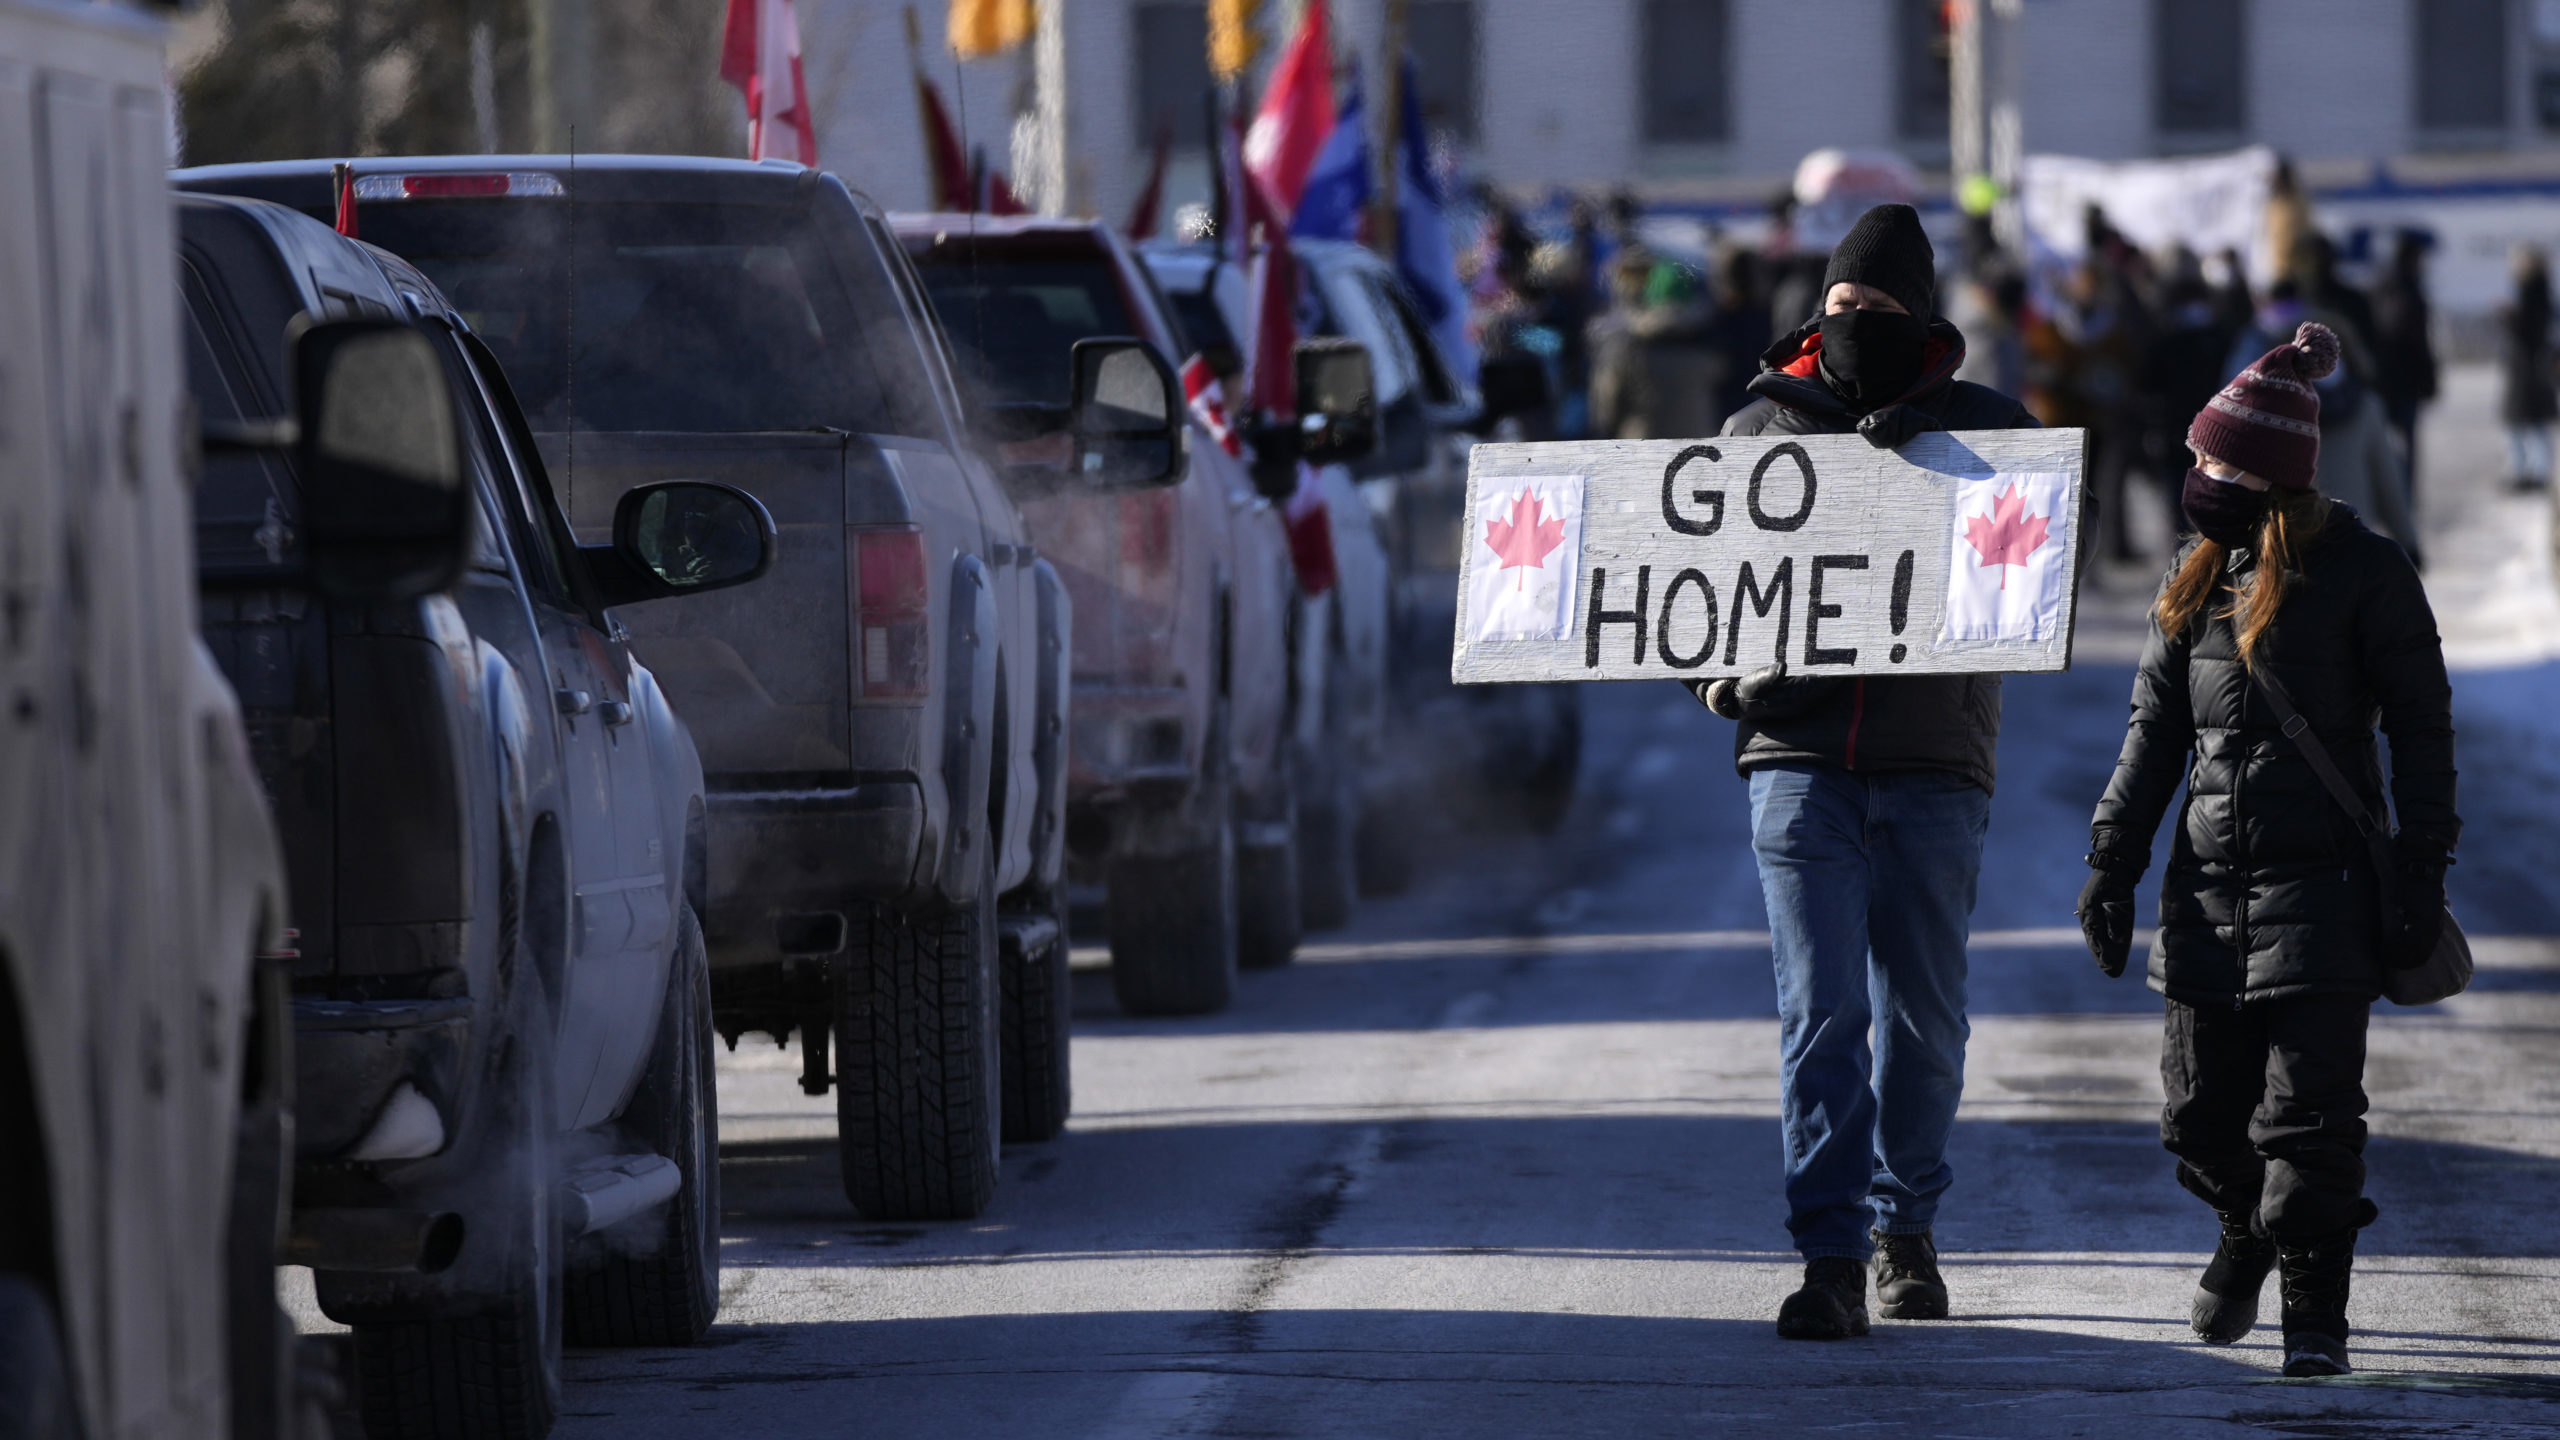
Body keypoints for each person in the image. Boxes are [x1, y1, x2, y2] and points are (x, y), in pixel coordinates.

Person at [2077, 322, 2459, 1379]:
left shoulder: (2365, 575)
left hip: (2325, 898)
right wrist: (2112, 860)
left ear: (2267, 479)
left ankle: (2312, 1324)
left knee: (2311, 1130)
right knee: (2199, 1126)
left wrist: (2421, 861)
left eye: (2211, 461)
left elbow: (2421, 725)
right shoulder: (2194, 578)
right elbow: (2153, 733)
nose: (2192, 475)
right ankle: (2245, 1230)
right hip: (2203, 898)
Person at [1690, 203, 2038, 1341]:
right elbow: (1681, 599)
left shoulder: (1988, 433)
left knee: (1924, 1023)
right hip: (1796, 770)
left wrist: (1933, 483)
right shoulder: (1757, 435)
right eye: (1841, 307)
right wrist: (1721, 686)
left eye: (1879, 311)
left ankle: (1905, 1229)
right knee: (1821, 1014)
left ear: (1922, 321)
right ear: (1815, 314)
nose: (1854, 324)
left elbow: (2031, 590)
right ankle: (1831, 1254)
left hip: (1936, 767)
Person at [2368, 230, 2439, 495]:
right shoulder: (2408, 288)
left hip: (2382, 380)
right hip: (2405, 381)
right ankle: (2402, 503)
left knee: (2384, 447)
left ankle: (2386, 500)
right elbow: (2415, 338)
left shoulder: (2379, 285)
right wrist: (2429, 377)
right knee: (2404, 448)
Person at [2499, 246, 2556, 492]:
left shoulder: (2533, 292)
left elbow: (2528, 330)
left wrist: (2507, 317)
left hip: (2529, 370)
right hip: (2527, 369)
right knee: (2523, 423)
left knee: (2530, 423)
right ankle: (2525, 472)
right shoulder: (2538, 290)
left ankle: (2532, 473)